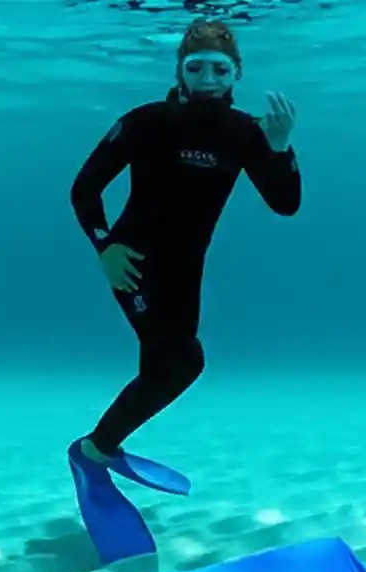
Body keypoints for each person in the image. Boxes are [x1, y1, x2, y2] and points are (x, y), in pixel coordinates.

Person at [69, 18, 302, 468]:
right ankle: (93, 452)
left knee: (165, 362)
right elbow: (84, 189)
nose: (207, 79)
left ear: (237, 73)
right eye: (196, 68)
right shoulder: (145, 122)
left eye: (220, 69)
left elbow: (285, 203)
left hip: (185, 269)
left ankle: (102, 447)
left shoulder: (247, 134)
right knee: (180, 364)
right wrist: (105, 247)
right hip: (132, 262)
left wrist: (280, 149)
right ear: (179, 70)